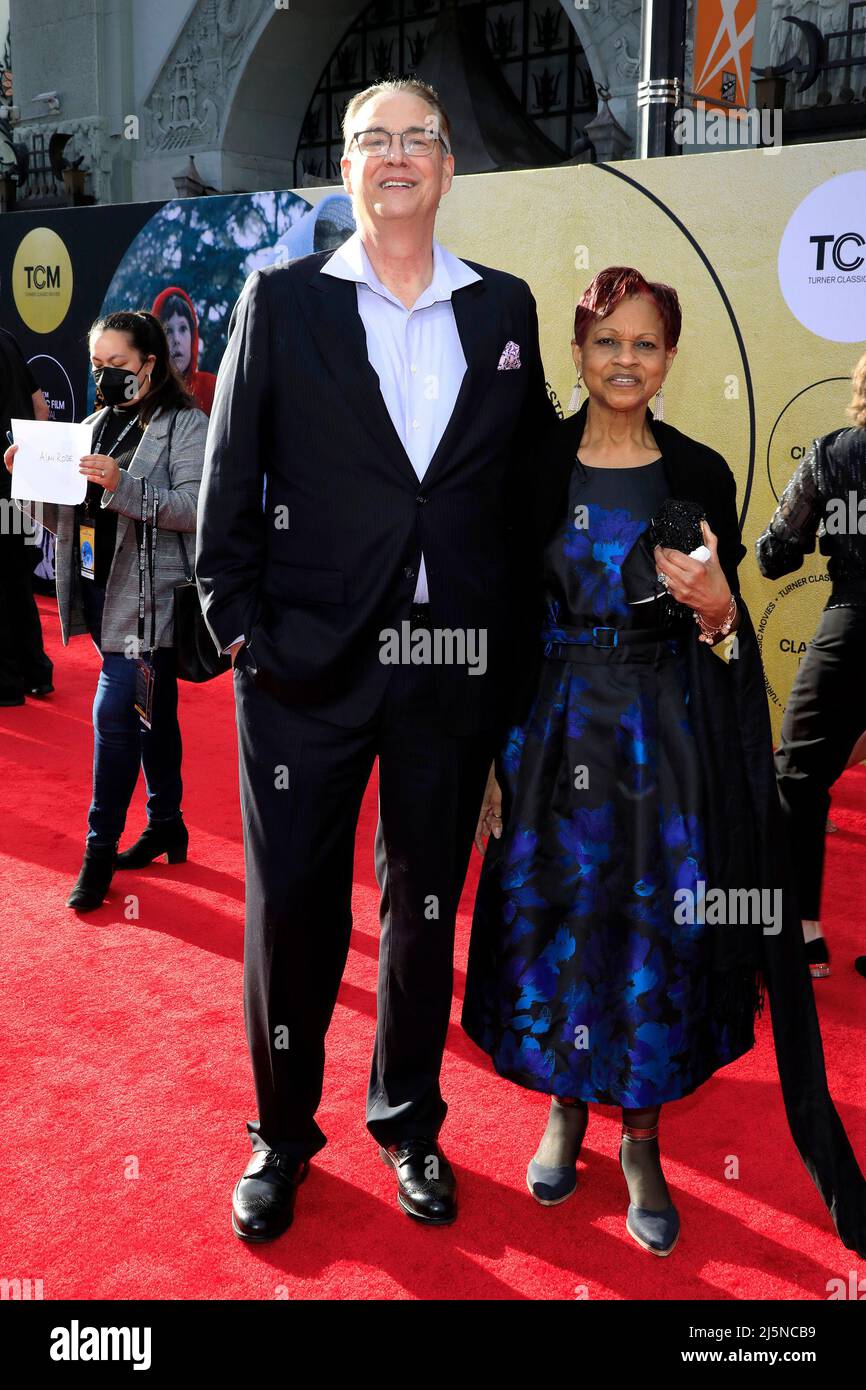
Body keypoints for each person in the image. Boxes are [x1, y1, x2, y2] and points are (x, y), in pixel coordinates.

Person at [196, 77, 555, 1242]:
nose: (395, 156)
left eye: (417, 138)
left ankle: (407, 1121)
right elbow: (230, 479)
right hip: (302, 667)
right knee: (292, 908)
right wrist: (241, 628)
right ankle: (280, 1135)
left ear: (448, 167)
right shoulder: (282, 299)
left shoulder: (502, 311)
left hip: (447, 670)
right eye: (371, 140)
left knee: (423, 907)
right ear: (342, 167)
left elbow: (516, 495)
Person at [462, 268, 866, 1259]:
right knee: (555, 914)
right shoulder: (532, 467)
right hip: (553, 726)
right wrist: (486, 754)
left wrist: (722, 612)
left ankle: (640, 1138)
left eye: (644, 344)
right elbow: (504, 616)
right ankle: (564, 1105)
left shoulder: (699, 470)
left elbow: (721, 627)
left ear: (669, 357)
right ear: (577, 351)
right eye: (606, 342)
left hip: (664, 734)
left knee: (653, 924)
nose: (624, 361)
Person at [6, 311, 208, 910]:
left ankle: (98, 853)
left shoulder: (184, 424)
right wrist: (31, 482)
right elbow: (63, 521)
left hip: (151, 607)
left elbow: (195, 508)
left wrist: (122, 485)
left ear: (149, 364)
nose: (104, 376)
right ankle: (167, 821)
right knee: (152, 715)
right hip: (98, 596)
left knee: (115, 717)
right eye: (96, 365)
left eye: (116, 365)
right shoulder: (91, 425)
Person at [756, 350, 866, 981]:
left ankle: (801, 932)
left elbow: (776, 553)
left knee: (797, 778)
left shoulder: (833, 454)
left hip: (854, 625)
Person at [0, 325, 54, 706]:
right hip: (17, 488)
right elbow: (42, 410)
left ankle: (6, 681)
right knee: (16, 576)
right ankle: (36, 671)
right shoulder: (8, 340)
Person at [152, 287, 217, 416]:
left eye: (183, 329)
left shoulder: (213, 387)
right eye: (168, 331)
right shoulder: (147, 394)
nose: (176, 339)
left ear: (192, 336)